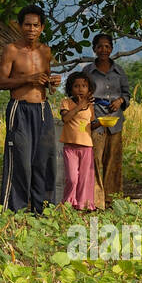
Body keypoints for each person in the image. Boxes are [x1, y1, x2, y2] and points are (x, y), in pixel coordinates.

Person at [0, 4, 63, 212]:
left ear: (42, 27)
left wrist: (52, 83)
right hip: (20, 109)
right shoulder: (12, 50)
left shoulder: (45, 51)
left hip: (43, 109)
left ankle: (42, 207)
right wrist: (28, 79)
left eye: (35, 25)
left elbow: (45, 84)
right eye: (27, 25)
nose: (31, 29)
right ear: (20, 26)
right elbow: (1, 83)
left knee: (44, 160)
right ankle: (14, 209)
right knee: (21, 160)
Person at [82, 34, 132, 208]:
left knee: (113, 162)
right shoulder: (87, 72)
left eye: (107, 46)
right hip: (95, 124)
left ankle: (112, 200)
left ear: (112, 49)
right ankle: (94, 200)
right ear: (94, 49)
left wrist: (120, 101)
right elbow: (80, 95)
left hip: (115, 123)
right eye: (100, 46)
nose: (104, 50)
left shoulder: (119, 71)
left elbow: (127, 95)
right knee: (93, 162)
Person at [59, 71, 98, 210]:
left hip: (87, 146)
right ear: (70, 88)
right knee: (72, 178)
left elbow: (91, 125)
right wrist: (80, 106)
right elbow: (66, 118)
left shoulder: (90, 107)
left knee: (85, 179)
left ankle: (83, 205)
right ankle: (68, 204)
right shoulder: (66, 103)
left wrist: (102, 123)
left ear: (89, 90)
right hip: (70, 147)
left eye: (84, 86)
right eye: (76, 86)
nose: (80, 89)